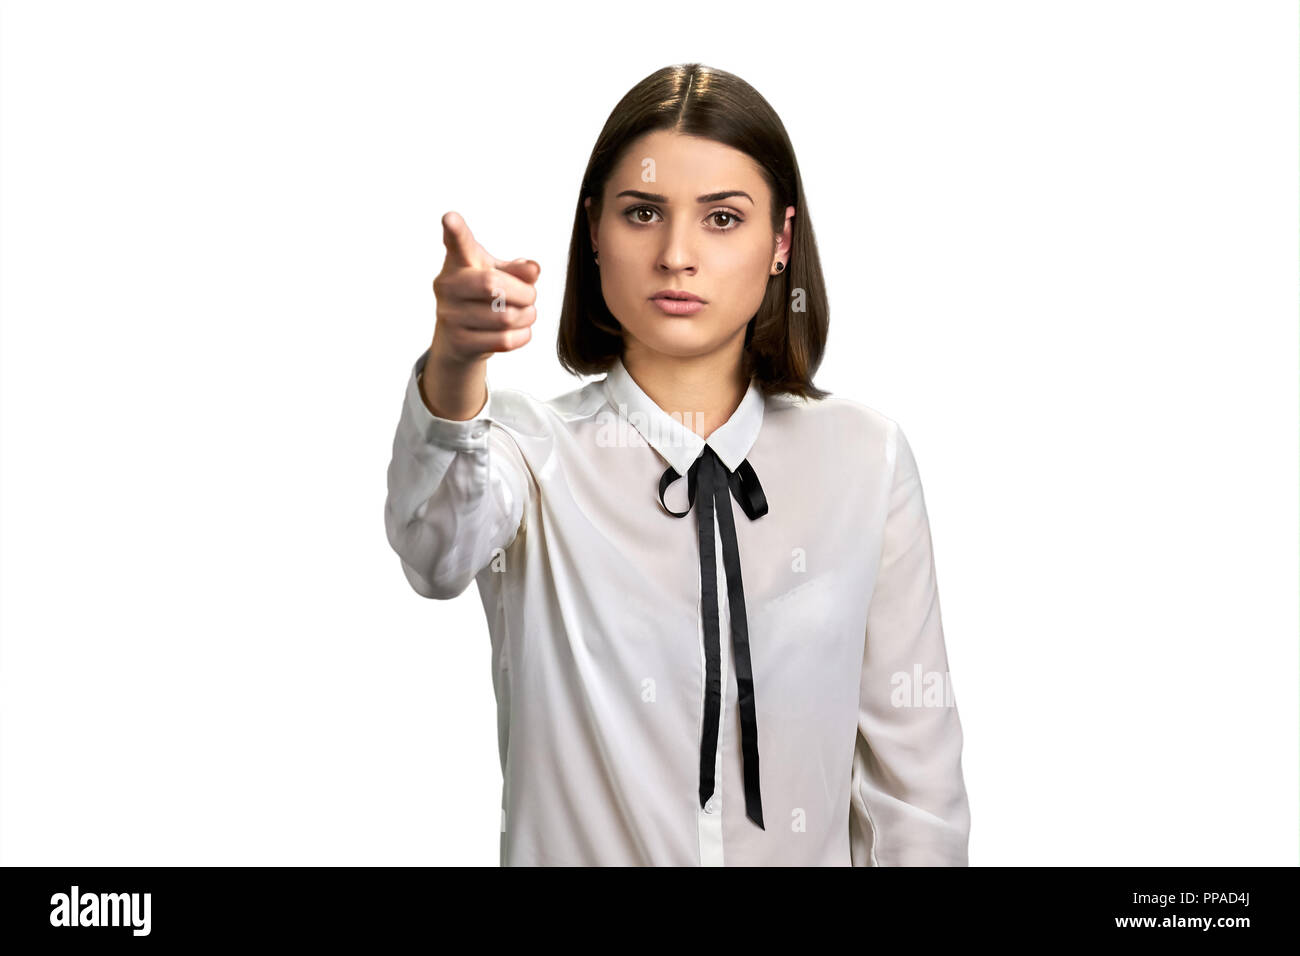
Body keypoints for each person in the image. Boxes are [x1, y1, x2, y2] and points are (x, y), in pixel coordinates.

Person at [384, 63, 970, 866]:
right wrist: (454, 365)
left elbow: (916, 795)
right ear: (595, 231)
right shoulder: (527, 450)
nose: (676, 255)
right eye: (642, 213)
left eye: (723, 218)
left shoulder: (864, 459)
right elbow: (434, 550)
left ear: (781, 242)